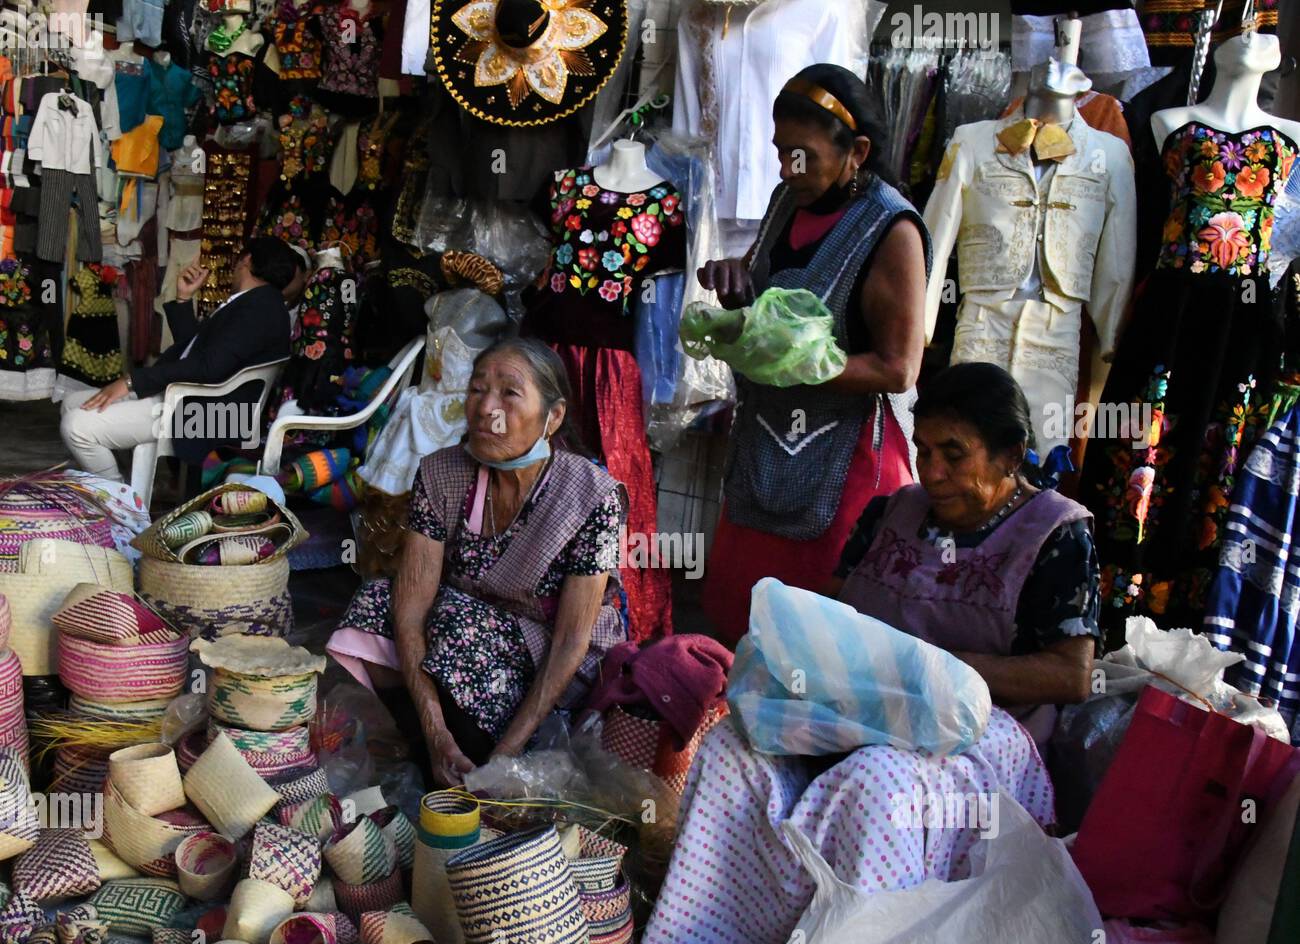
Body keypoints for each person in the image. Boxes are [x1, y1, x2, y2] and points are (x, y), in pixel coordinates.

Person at [632, 363, 1102, 944]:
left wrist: (933, 671)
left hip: (981, 736)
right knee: (734, 753)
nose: (931, 471)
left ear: (1010, 453)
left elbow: (1071, 674)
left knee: (877, 787)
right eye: (925, 449)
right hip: (861, 707)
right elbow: (834, 611)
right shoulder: (892, 511)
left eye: (954, 455)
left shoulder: (1057, 532)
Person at [697, 63, 932, 645]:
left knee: (816, 643)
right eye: (780, 153)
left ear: (857, 151)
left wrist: (797, 367)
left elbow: (900, 368)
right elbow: (773, 306)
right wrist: (738, 288)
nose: (785, 168)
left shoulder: (890, 229)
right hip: (762, 453)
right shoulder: (788, 202)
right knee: (739, 624)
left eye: (799, 154)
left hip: (844, 467)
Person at [327, 337, 628, 787]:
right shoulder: (440, 471)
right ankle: (437, 746)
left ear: (554, 417)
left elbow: (571, 640)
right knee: (376, 601)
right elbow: (411, 609)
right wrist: (435, 732)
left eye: (509, 393)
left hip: (545, 651)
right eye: (477, 389)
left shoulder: (591, 496)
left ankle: (483, 752)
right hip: (460, 635)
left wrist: (504, 761)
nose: (487, 407)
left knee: (457, 626)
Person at [60, 236, 304, 482]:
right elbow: (200, 352)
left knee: (76, 427)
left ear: (247, 260)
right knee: (72, 403)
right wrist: (184, 298)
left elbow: (208, 367)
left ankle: (119, 502)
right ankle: (107, 487)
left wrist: (131, 381)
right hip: (192, 398)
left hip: (205, 414)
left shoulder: (258, 309)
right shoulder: (259, 303)